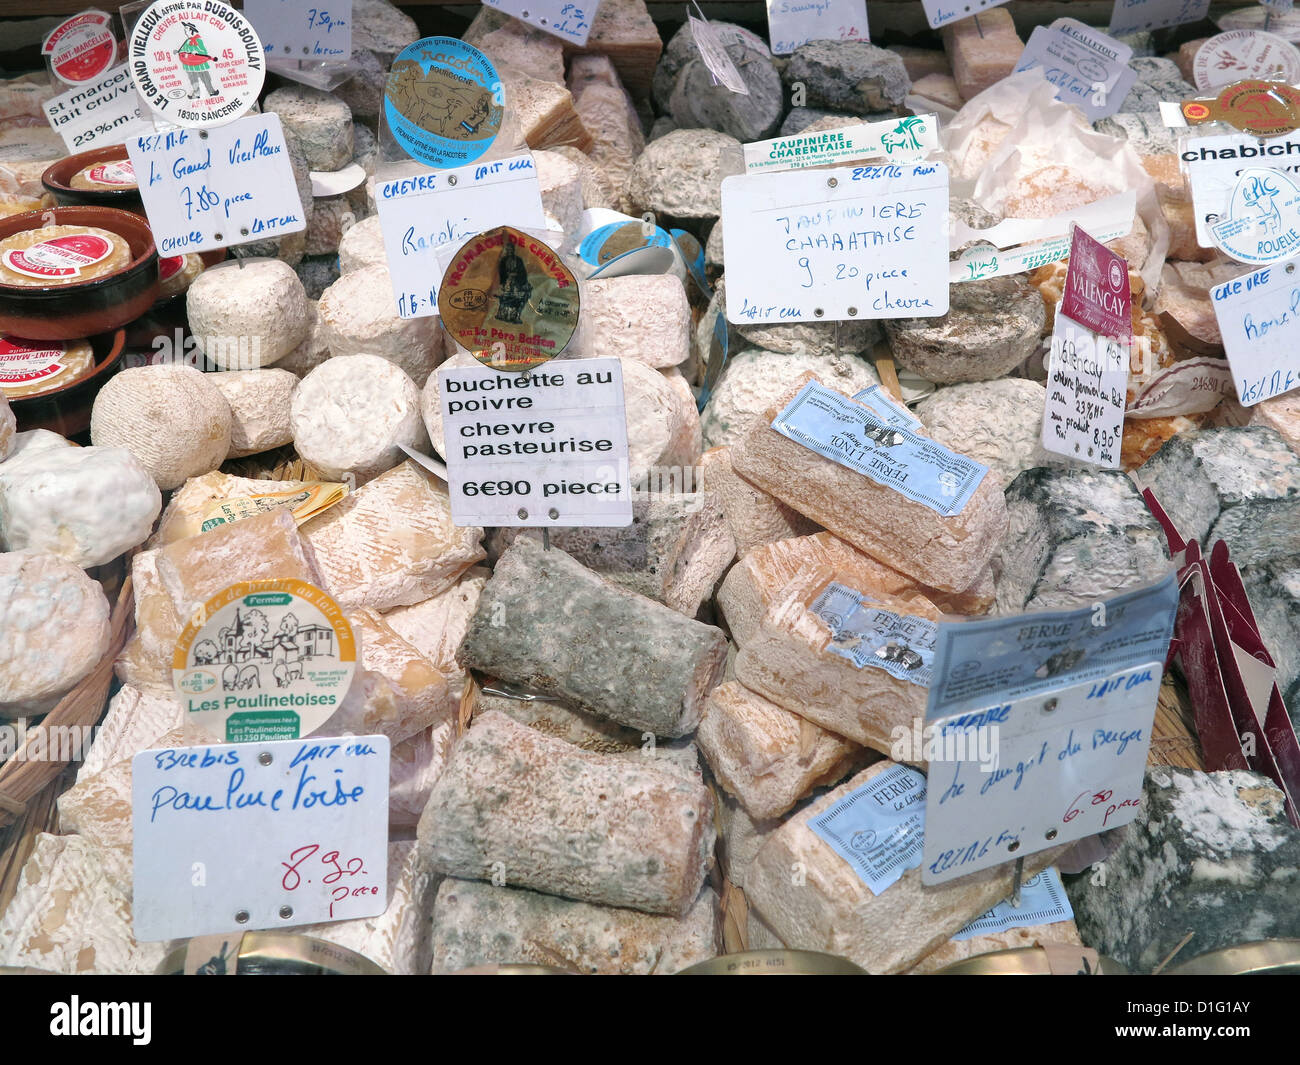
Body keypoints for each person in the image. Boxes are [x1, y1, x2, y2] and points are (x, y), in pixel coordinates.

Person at [177, 21, 219, 99]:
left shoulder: (198, 40)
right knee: (193, 80)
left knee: (206, 78)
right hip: (189, 64)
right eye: (185, 29)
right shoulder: (187, 41)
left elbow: (204, 52)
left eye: (186, 29)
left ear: (192, 30)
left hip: (200, 64)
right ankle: (196, 94)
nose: (185, 31)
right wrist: (183, 52)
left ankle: (211, 91)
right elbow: (182, 50)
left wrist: (197, 52)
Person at [496, 239, 532, 324]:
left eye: (511, 250)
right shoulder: (503, 260)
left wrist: (522, 281)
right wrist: (502, 283)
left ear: (513, 250)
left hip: (517, 282)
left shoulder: (518, 260)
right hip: (507, 283)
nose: (509, 251)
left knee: (517, 300)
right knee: (505, 299)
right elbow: (501, 273)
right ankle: (503, 315)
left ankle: (514, 316)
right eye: (507, 250)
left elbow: (523, 272)